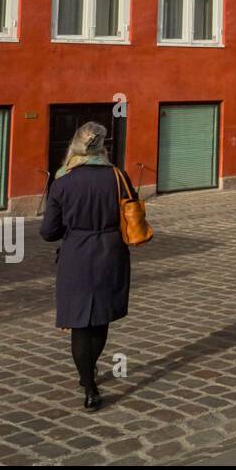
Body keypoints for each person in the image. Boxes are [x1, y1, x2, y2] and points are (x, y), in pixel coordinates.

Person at [40, 123, 134, 411]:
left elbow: (48, 231)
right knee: (101, 319)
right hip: (110, 252)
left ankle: (89, 384)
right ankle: (89, 372)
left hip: (76, 255)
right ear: (103, 146)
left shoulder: (62, 181)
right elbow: (132, 212)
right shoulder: (118, 176)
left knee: (80, 322)